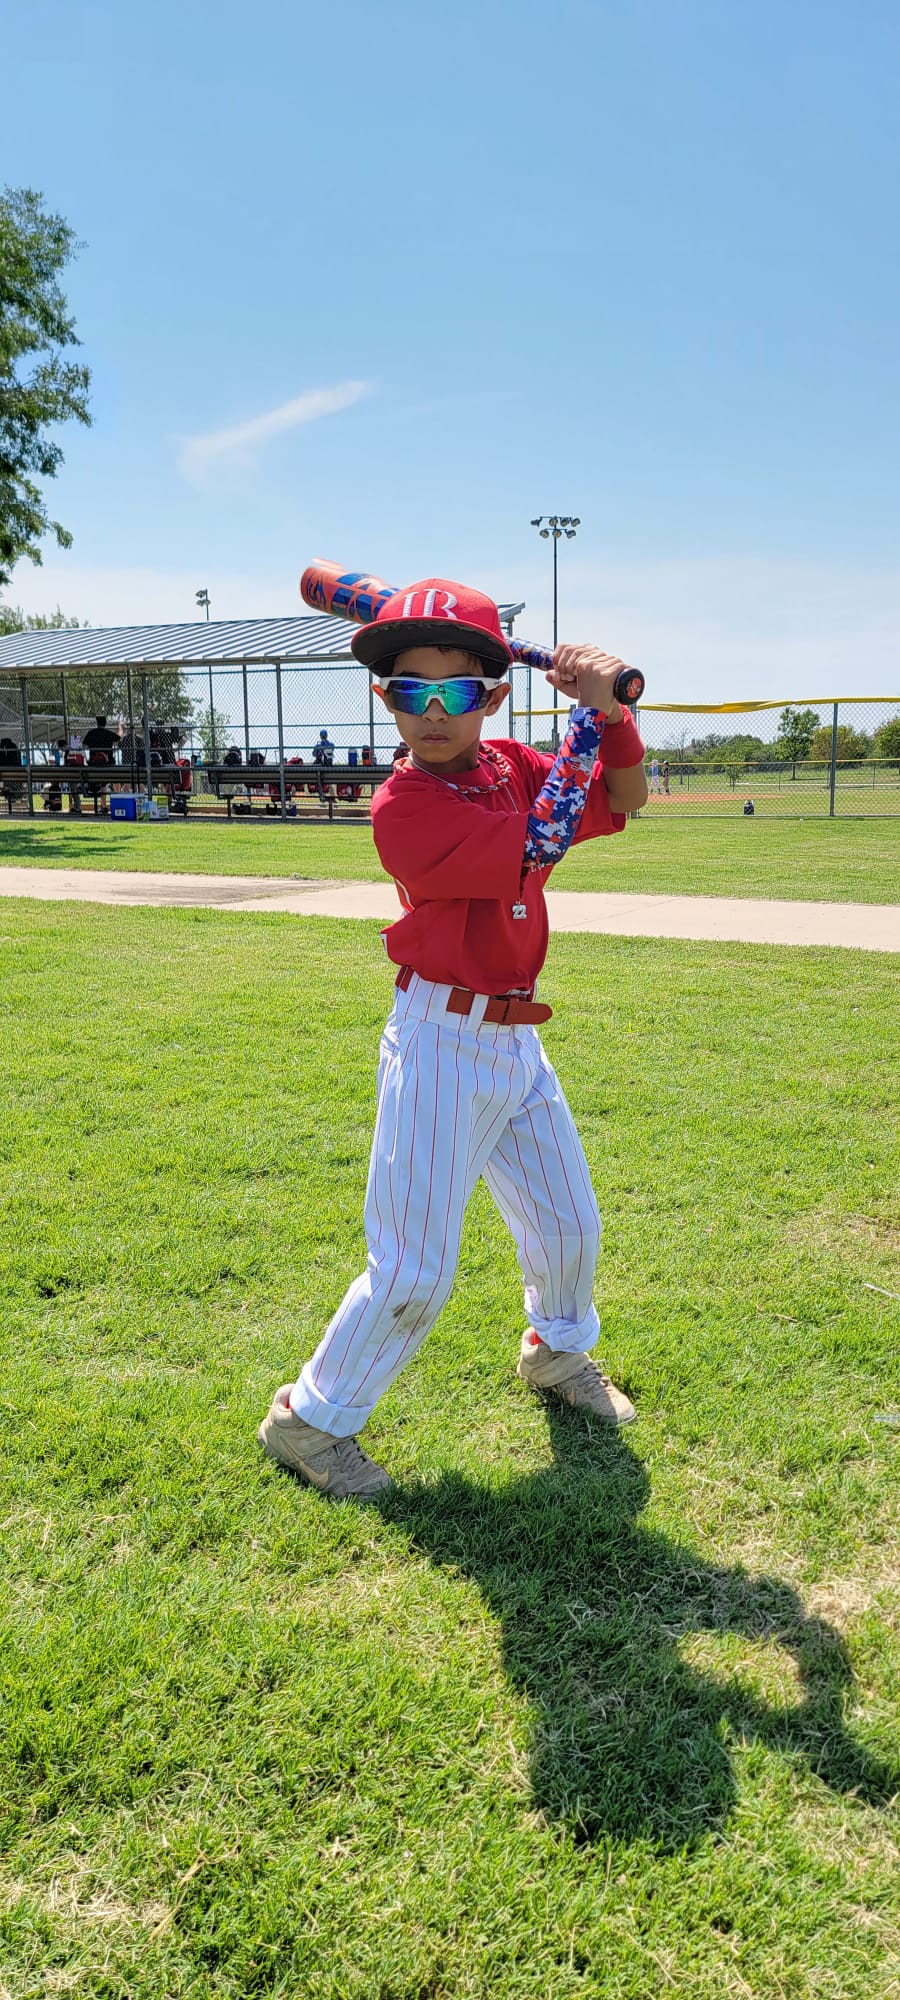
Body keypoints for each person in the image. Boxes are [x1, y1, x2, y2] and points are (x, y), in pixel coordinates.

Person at [258, 577, 648, 1499]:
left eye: (457, 691)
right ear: (383, 697)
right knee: (414, 1267)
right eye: (409, 690)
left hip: (518, 1038)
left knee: (569, 1228)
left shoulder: (509, 762)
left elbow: (623, 799)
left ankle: (557, 1353)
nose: (432, 711)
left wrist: (614, 721)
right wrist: (587, 716)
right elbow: (541, 841)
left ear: (495, 694)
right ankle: (310, 1421)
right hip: (440, 1040)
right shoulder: (403, 806)